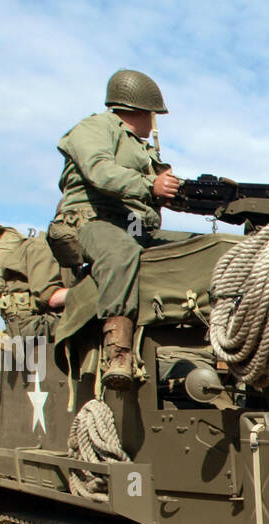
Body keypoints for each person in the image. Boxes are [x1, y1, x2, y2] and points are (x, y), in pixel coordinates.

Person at [47, 69, 190, 388]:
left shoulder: (142, 149)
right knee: (121, 252)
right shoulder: (93, 128)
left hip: (135, 226)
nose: (154, 122)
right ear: (141, 110)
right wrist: (150, 185)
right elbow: (100, 172)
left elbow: (154, 192)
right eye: (153, 115)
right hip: (89, 220)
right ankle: (118, 353)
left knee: (202, 246)